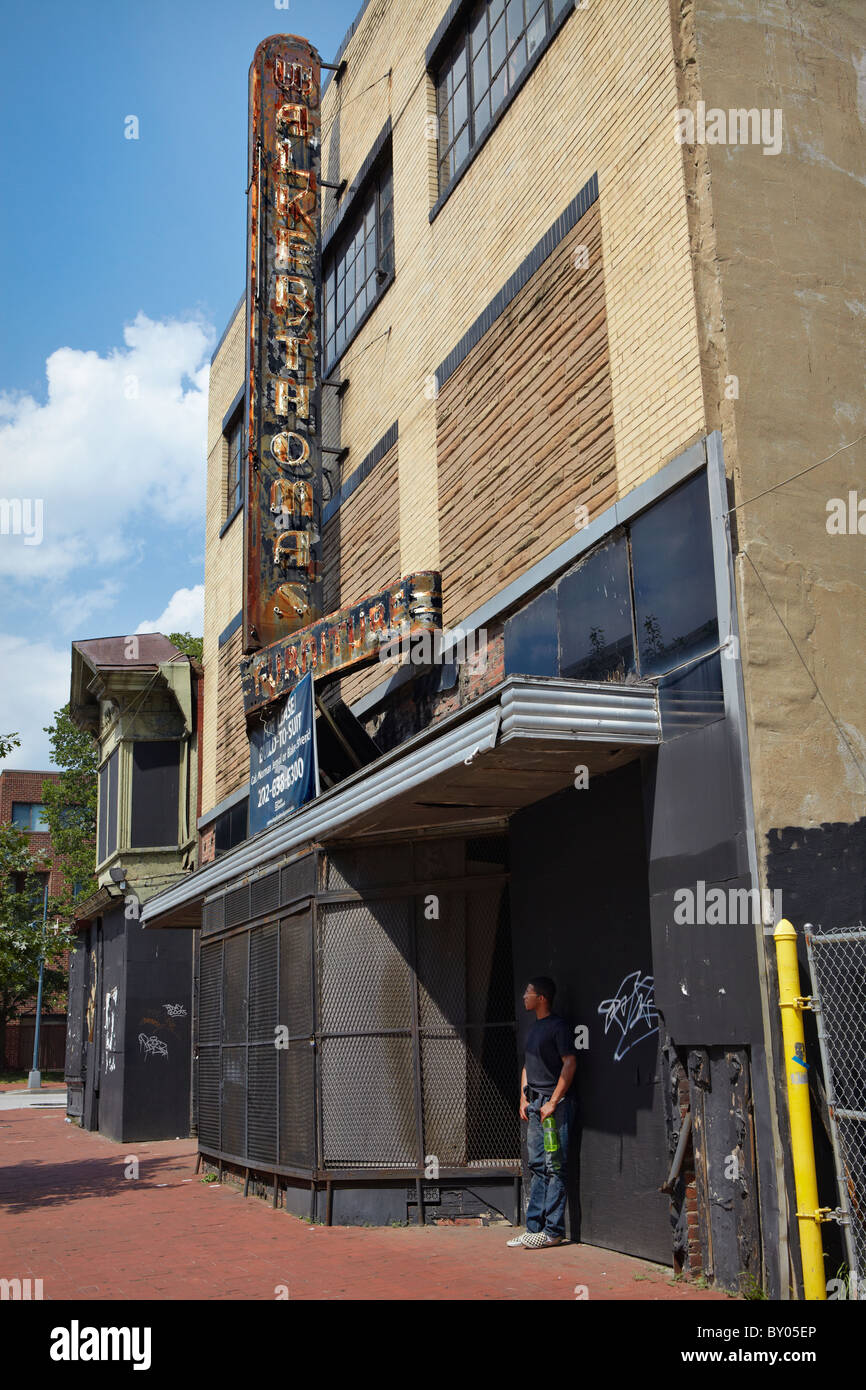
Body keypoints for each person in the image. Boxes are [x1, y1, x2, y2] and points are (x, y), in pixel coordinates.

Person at [507, 975, 576, 1250]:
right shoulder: (532, 1028)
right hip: (534, 1107)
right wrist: (524, 1099)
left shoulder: (558, 1027)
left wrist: (553, 1102)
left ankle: (553, 1232)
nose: (524, 996)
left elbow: (570, 1063)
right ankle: (532, 1229)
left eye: (528, 992)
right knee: (536, 1166)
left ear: (542, 998)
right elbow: (527, 1065)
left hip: (553, 1110)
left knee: (554, 1167)